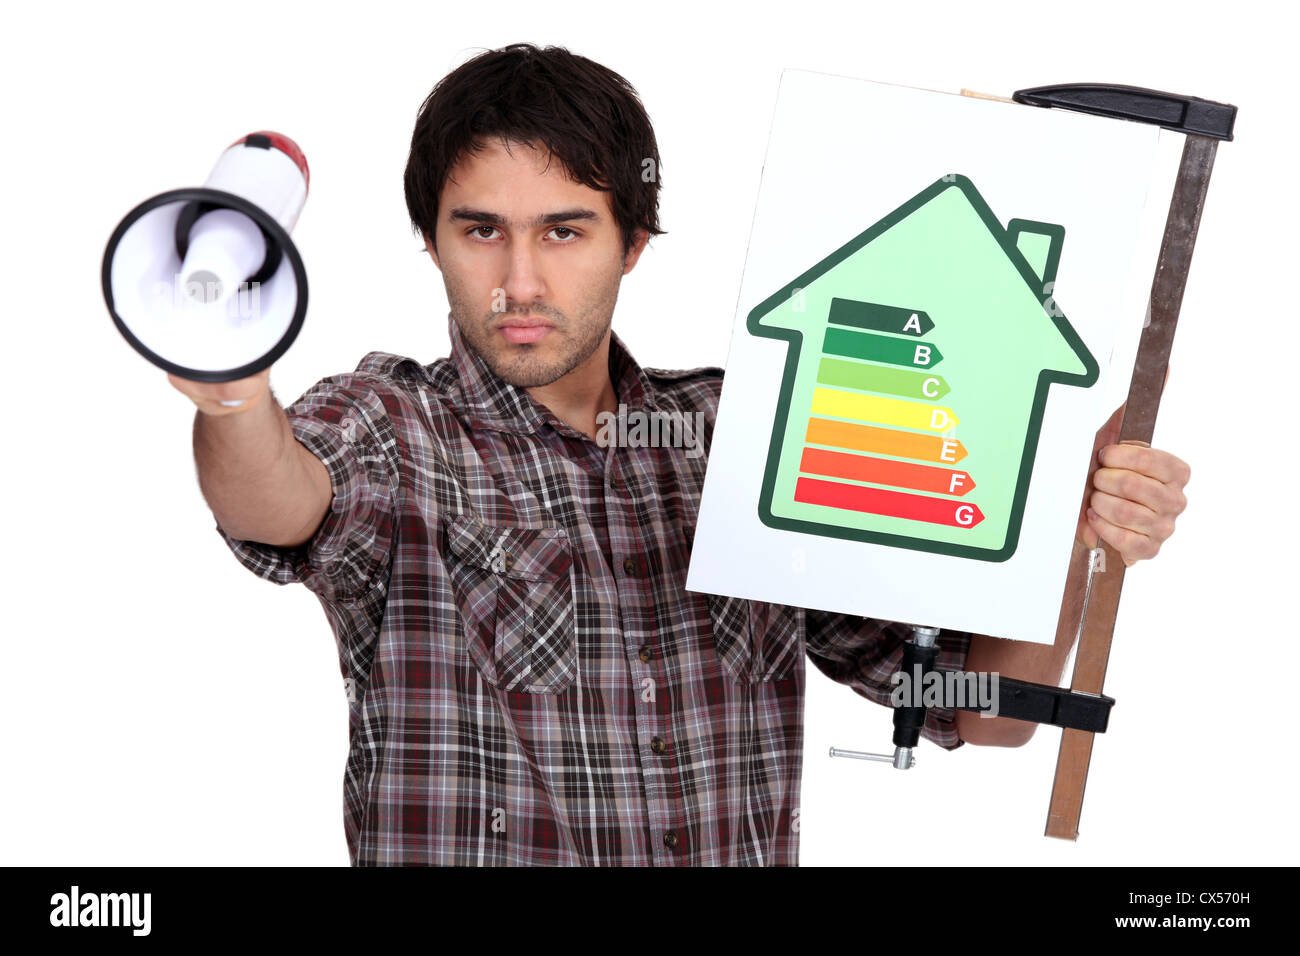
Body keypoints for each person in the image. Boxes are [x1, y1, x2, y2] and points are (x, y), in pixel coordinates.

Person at [170, 43, 1191, 866]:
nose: (521, 279)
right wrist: (232, 392)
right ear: (431, 241)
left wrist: (1067, 529)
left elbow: (979, 709)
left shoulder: (746, 436)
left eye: (565, 231)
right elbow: (280, 499)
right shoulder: (394, 425)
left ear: (633, 241)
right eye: (480, 230)